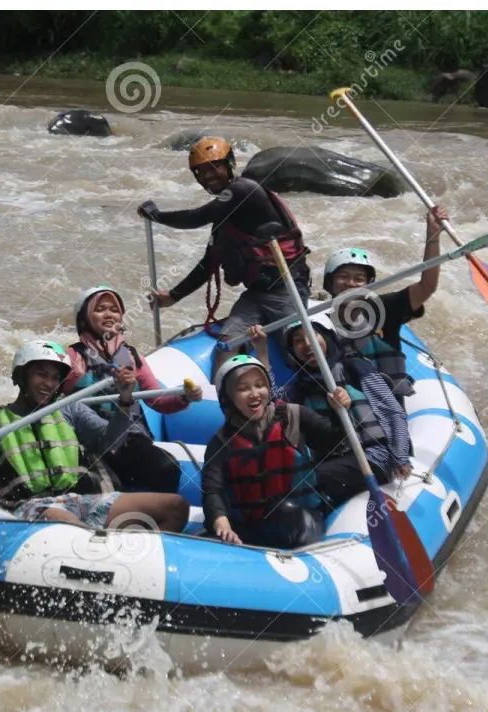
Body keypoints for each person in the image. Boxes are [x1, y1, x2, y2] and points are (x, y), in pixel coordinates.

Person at [0, 340, 190, 532]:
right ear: (21, 376)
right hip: (32, 508)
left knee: (176, 507)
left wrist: (126, 399)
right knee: (75, 531)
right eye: (41, 374)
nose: (49, 383)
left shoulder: (69, 409)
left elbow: (111, 442)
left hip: (81, 501)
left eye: (55, 378)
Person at [136, 137, 311, 378]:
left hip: (287, 289)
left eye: (214, 167)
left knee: (300, 347)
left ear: (229, 165)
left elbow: (196, 217)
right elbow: (209, 262)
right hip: (255, 296)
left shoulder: (243, 190)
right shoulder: (224, 218)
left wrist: (157, 216)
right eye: (201, 172)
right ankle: (228, 402)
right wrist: (174, 296)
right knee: (227, 344)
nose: (208, 175)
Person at [260, 317, 413, 508]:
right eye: (298, 341)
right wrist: (262, 352)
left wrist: (400, 456)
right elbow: (270, 402)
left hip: (374, 457)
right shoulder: (301, 385)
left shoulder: (354, 366)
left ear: (326, 336)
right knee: (296, 478)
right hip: (335, 462)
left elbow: (392, 412)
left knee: (309, 479)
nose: (307, 344)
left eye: (312, 335)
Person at [201, 355, 352, 548]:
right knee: (212, 534)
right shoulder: (220, 442)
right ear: (228, 398)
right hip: (252, 528)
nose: (254, 393)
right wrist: (221, 522)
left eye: (259, 385)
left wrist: (342, 411)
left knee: (287, 512)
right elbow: (213, 489)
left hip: (302, 520)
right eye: (243, 388)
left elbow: (335, 441)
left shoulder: (294, 415)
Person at [63, 285, 202, 494]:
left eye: (114, 309)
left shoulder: (132, 356)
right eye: (100, 309)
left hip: (131, 441)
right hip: (94, 443)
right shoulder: (73, 358)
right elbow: (52, 401)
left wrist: (184, 397)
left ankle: (158, 519)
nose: (109, 314)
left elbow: (159, 401)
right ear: (84, 320)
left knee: (167, 467)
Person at [324, 206, 452, 401]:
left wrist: (433, 235)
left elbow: (427, 286)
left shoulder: (384, 309)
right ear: (329, 284)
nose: (351, 283)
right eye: (343, 277)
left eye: (359, 279)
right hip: (342, 405)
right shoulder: (317, 319)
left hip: (386, 403)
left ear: (368, 286)